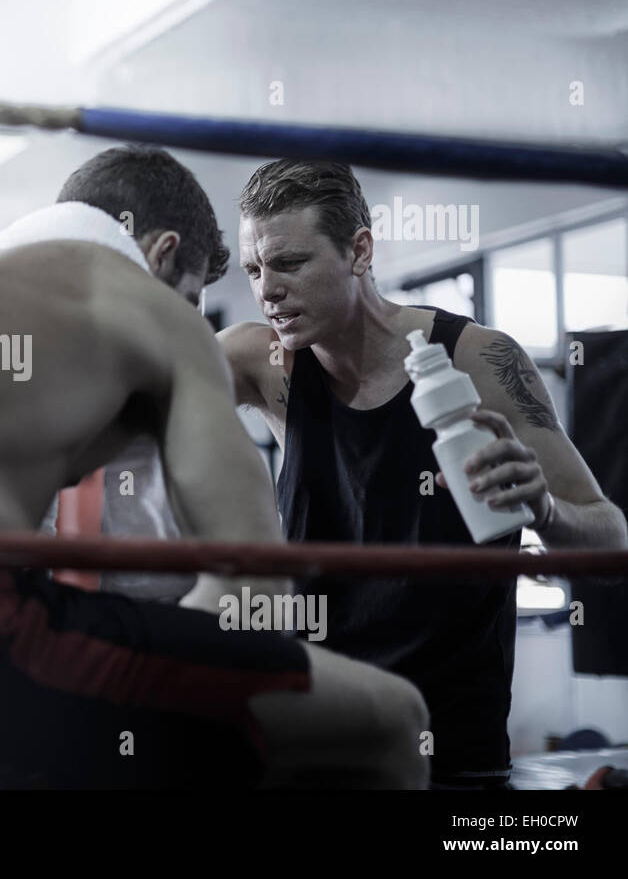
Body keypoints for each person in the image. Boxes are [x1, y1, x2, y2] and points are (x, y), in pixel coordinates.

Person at [0, 145, 429, 788]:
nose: (194, 316)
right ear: (163, 254)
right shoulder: (151, 311)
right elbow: (256, 583)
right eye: (195, 296)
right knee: (392, 719)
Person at [219, 159, 628, 788]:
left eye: (290, 263)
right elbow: (138, 380)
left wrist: (545, 510)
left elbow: (612, 541)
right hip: (314, 749)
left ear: (359, 251)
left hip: (452, 761)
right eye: (253, 269)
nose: (267, 289)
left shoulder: (480, 360)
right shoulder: (266, 363)